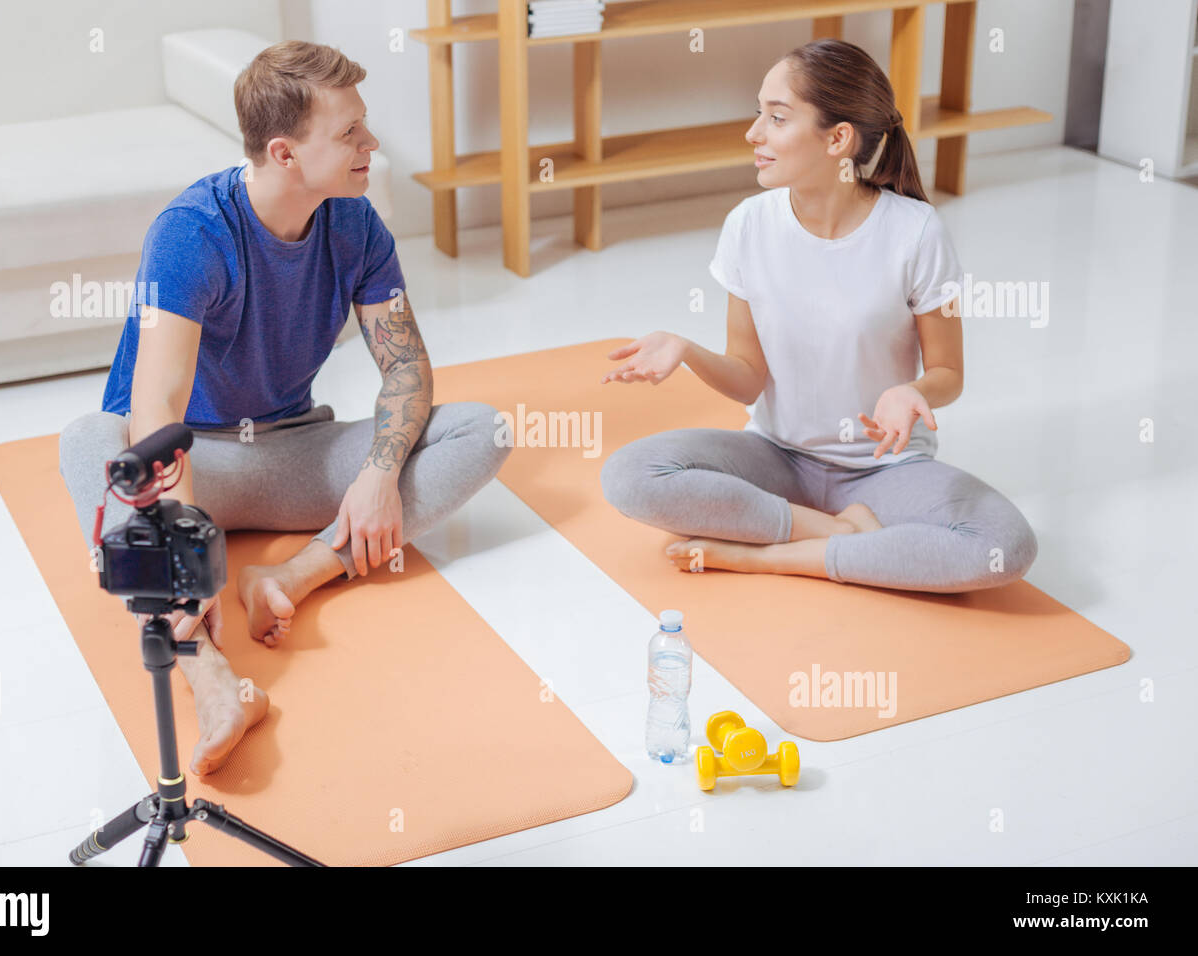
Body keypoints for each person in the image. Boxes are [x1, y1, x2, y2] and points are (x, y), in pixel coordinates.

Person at [58, 41, 510, 775]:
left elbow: (406, 369)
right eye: (351, 134)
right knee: (88, 439)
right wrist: (187, 549)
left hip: (292, 453)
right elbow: (157, 404)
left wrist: (378, 474)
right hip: (192, 461)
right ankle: (208, 676)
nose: (371, 146)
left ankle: (288, 577)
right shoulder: (192, 232)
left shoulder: (356, 222)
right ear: (285, 153)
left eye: (364, 127)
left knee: (481, 427)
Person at [598, 39, 1037, 594]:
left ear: (838, 138)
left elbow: (949, 373)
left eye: (776, 118)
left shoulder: (917, 232)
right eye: (759, 112)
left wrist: (915, 391)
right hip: (776, 459)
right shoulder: (748, 225)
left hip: (883, 470)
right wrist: (687, 350)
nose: (753, 133)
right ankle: (836, 534)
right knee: (630, 475)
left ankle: (772, 555)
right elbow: (748, 379)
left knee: (1004, 547)